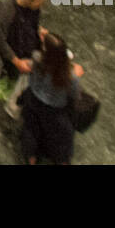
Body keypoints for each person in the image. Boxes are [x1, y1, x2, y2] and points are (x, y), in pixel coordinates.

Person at [0, 0, 48, 127]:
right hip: (12, 53)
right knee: (4, 78)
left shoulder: (34, 9)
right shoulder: (9, 12)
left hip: (28, 49)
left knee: (21, 79)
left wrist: (40, 32)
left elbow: (33, 24)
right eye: (38, 2)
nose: (40, 6)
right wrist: (15, 61)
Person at [17, 32, 84, 165]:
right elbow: (75, 96)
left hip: (33, 102)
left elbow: (29, 64)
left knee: (30, 130)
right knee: (63, 140)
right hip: (55, 112)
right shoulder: (69, 77)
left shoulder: (37, 59)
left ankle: (31, 158)